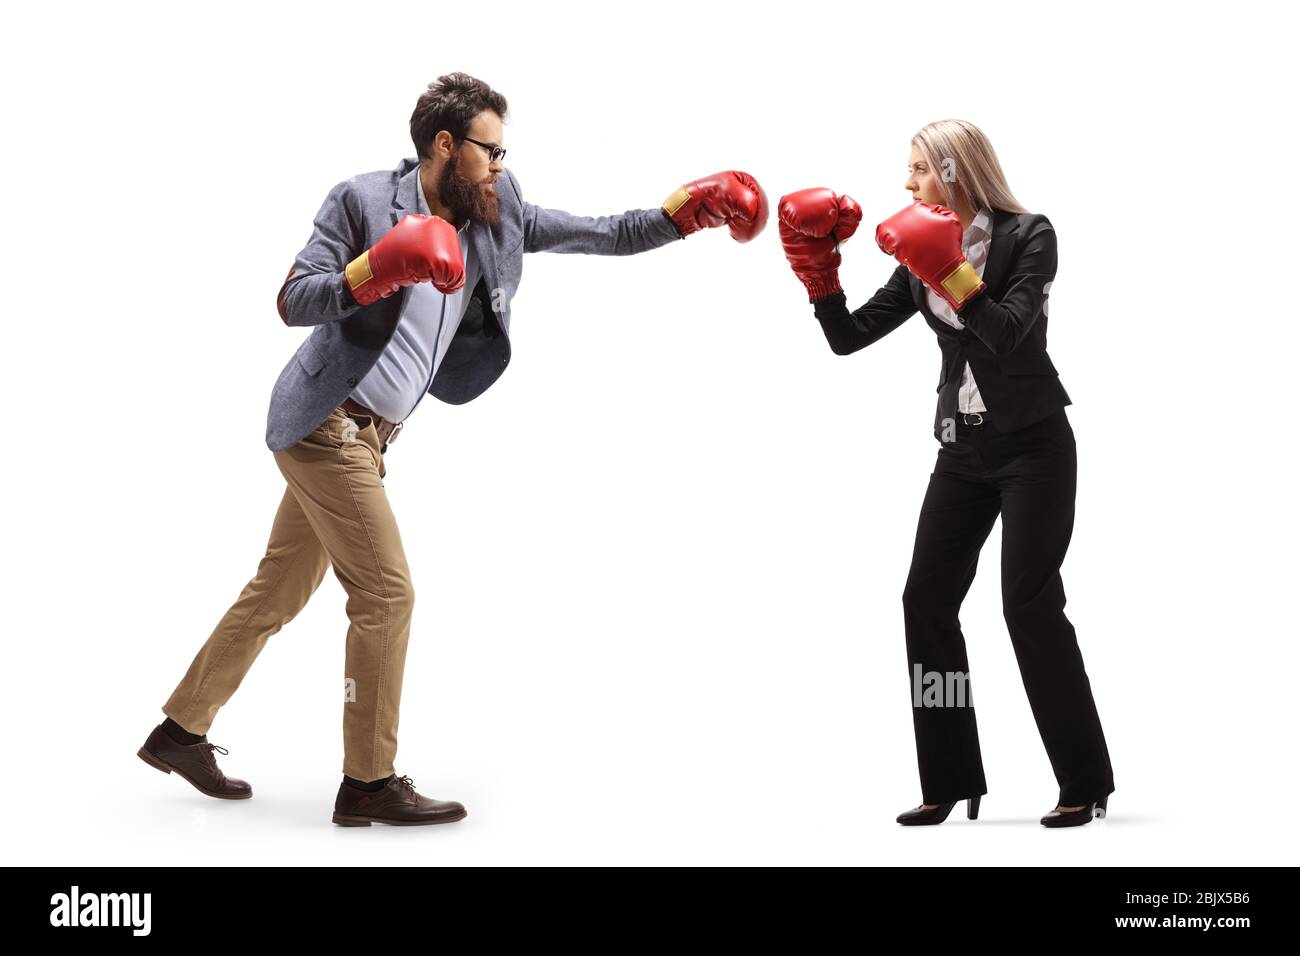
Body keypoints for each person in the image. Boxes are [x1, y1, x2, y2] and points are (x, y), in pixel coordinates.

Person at [139, 71, 768, 827]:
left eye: (504, 152)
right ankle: (367, 781)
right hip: (323, 424)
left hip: (372, 438)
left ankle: (180, 730)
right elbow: (293, 299)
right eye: (490, 149)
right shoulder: (364, 200)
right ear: (446, 144)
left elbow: (602, 231)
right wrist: (379, 266)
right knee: (387, 594)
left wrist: (682, 213)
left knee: (278, 590)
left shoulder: (496, 212)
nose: (501, 164)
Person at [777, 118, 1114, 828]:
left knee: (1027, 606)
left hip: (1034, 446)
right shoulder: (915, 254)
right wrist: (819, 275)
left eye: (920, 169)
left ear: (956, 171)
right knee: (924, 602)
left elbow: (1009, 330)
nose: (907, 184)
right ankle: (950, 776)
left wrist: (949, 267)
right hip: (962, 450)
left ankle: (1085, 778)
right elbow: (849, 339)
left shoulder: (1030, 235)